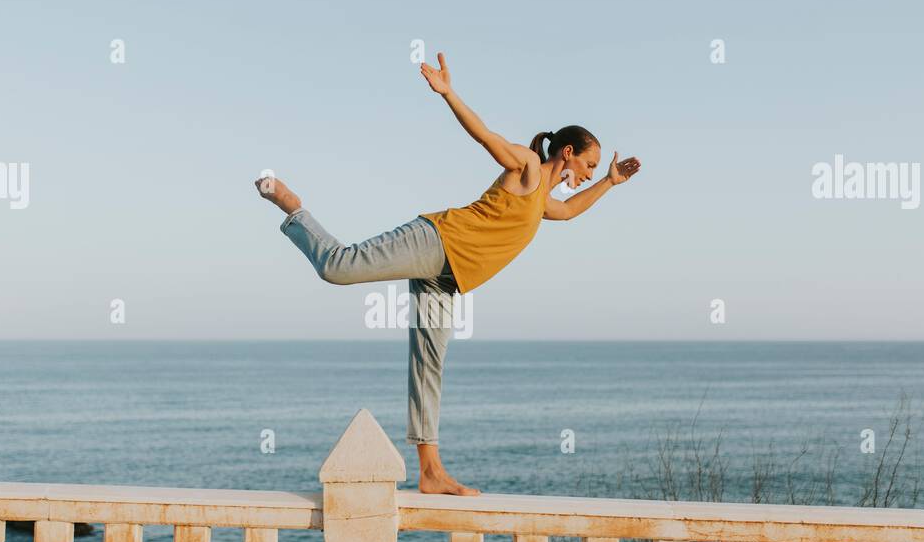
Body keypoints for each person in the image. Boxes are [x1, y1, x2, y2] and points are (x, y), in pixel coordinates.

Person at [256, 52, 640, 495]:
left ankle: (431, 471)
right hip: (435, 239)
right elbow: (485, 136)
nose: (588, 173)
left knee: (429, 366)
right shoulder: (528, 168)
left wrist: (609, 182)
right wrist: (448, 93)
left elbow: (571, 211)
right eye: (589, 166)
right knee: (337, 267)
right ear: (567, 154)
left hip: (447, 276)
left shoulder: (544, 203)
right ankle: (292, 207)